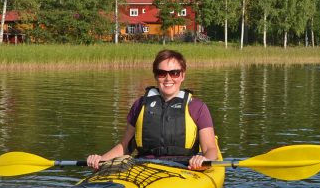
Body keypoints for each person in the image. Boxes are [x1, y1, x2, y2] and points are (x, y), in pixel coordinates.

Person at [87, 49, 220, 171]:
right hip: (143, 166)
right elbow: (125, 147)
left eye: (174, 73)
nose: (168, 79)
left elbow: (210, 149)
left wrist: (204, 159)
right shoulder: (140, 105)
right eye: (162, 73)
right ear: (156, 76)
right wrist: (101, 159)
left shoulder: (197, 107)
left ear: (182, 76)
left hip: (185, 167)